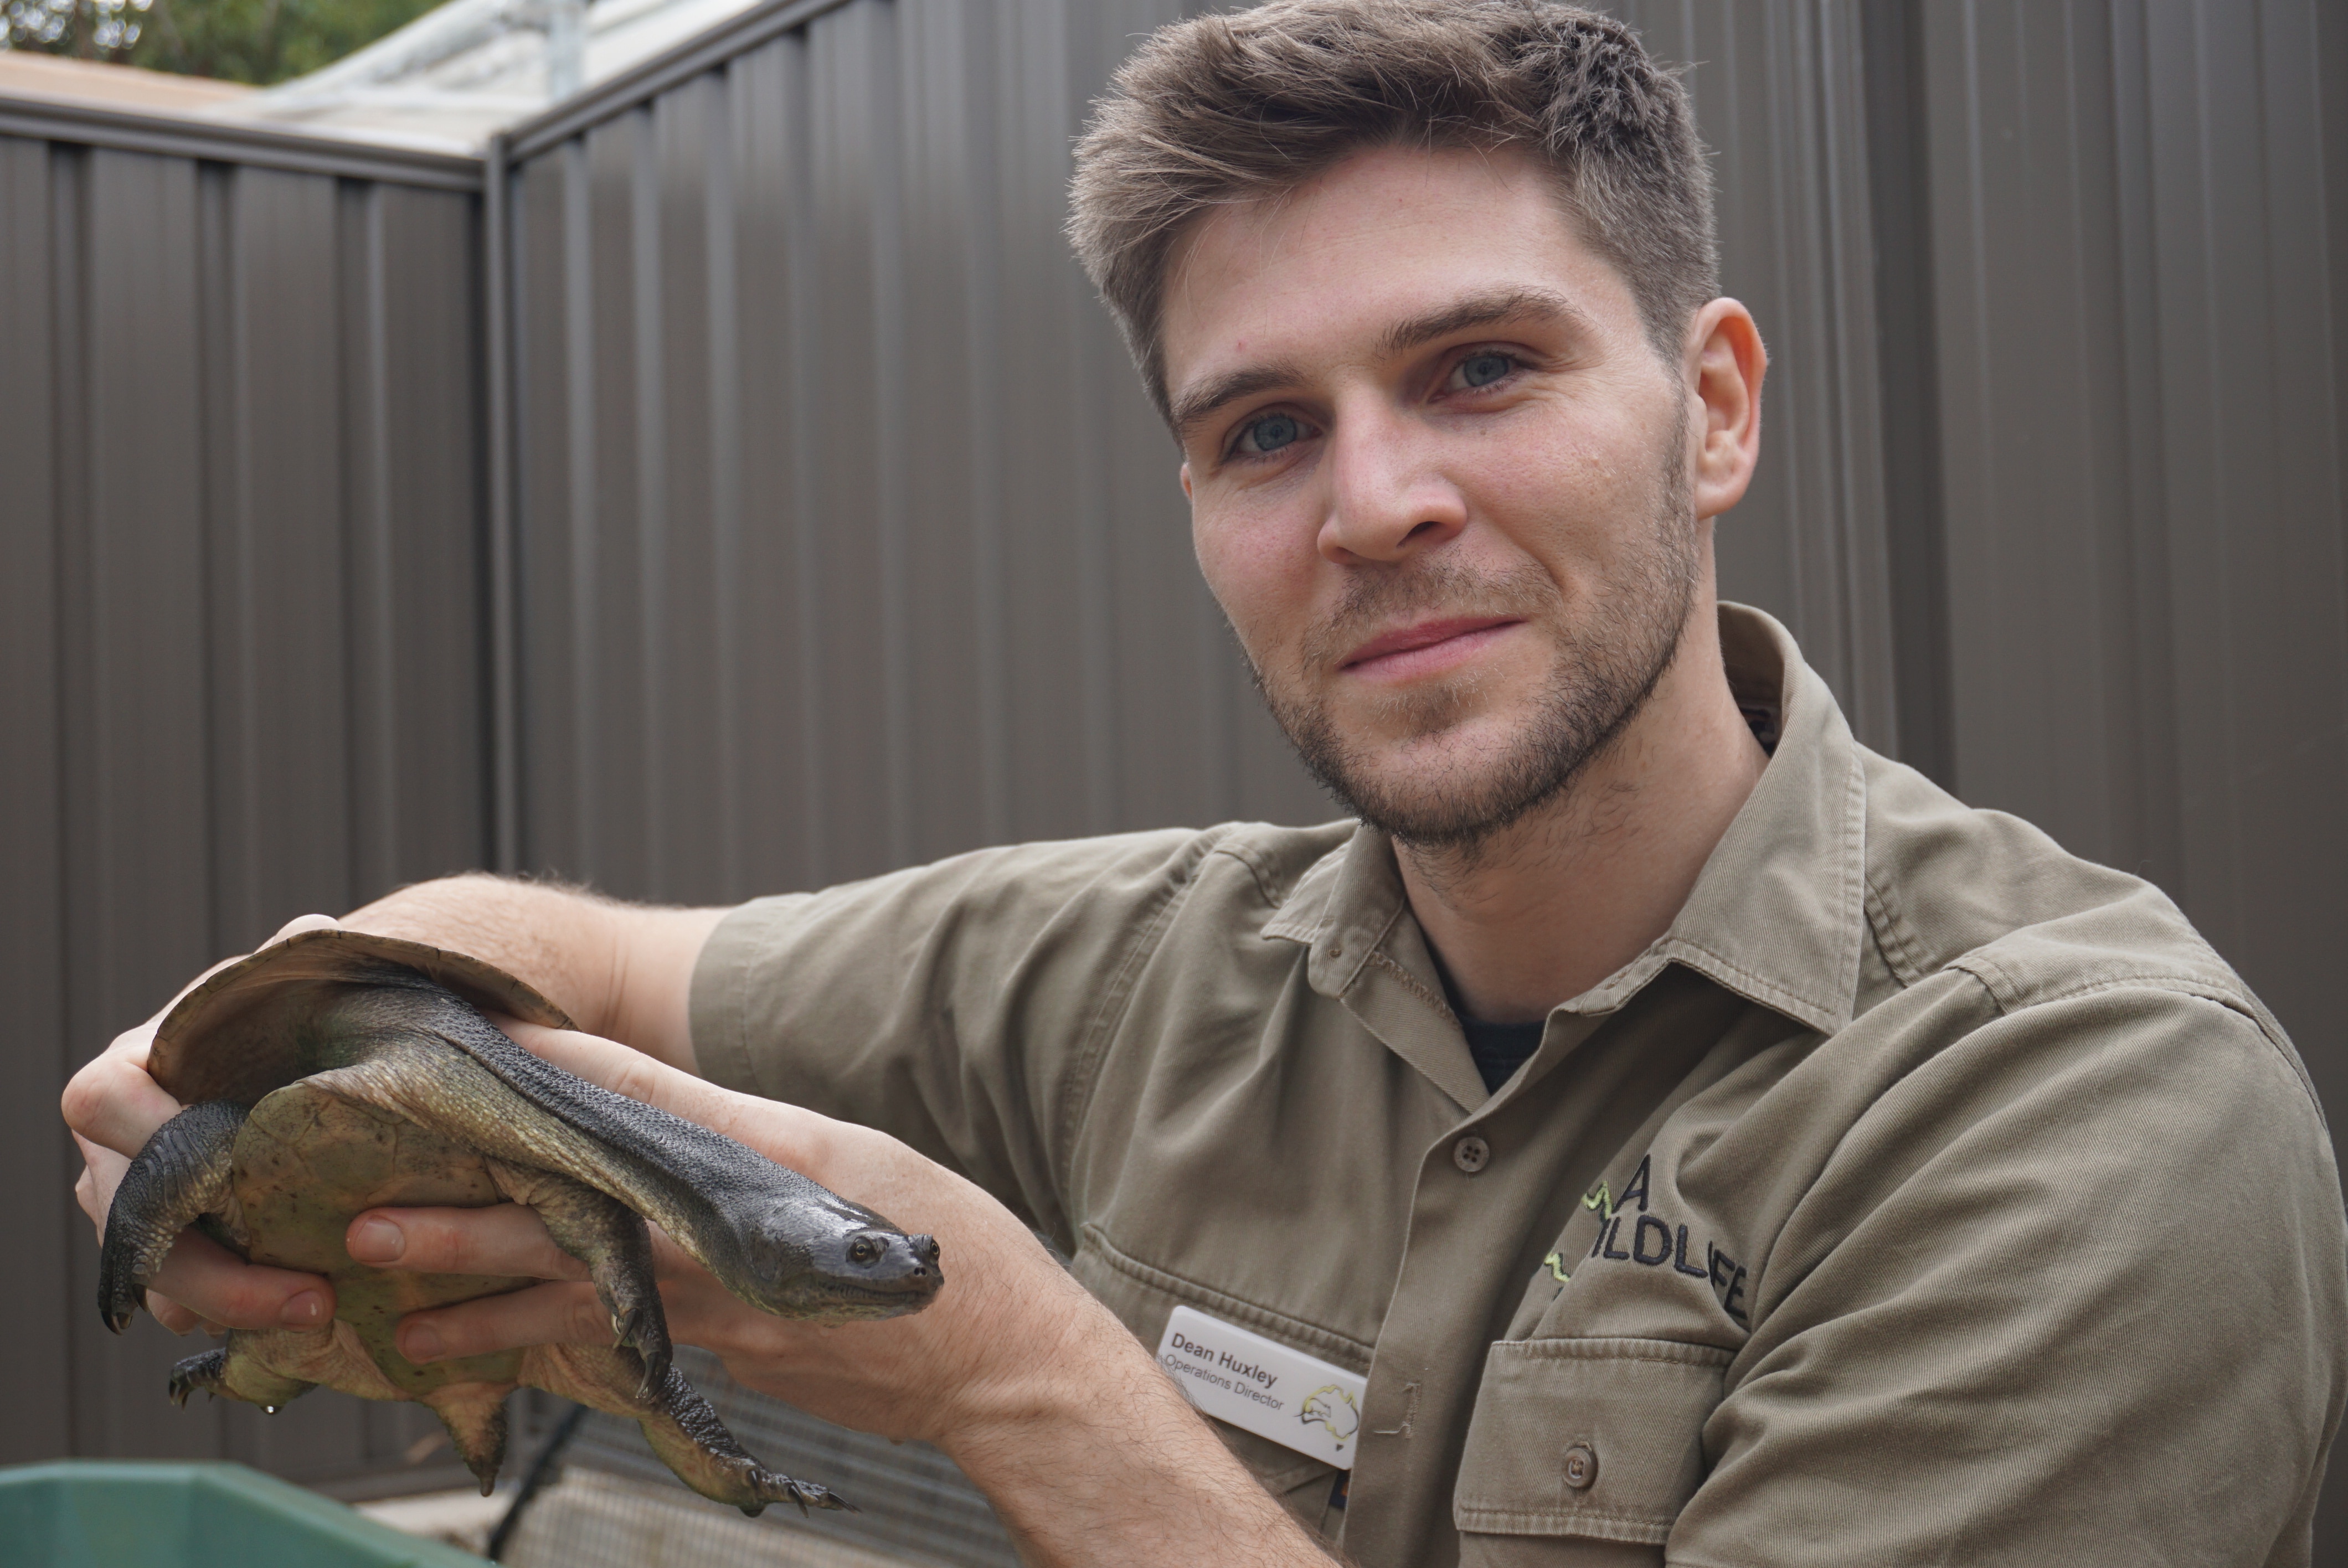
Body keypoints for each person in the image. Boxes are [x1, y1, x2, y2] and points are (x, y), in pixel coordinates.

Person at [63, 3, 2346, 1564]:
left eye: (1478, 367)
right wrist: (261, 1079)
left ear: (1715, 406)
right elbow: (546, 948)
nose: (1373, 506)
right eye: (1262, 429)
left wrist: (1011, 1376)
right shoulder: (1145, 971)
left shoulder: (2074, 1111)